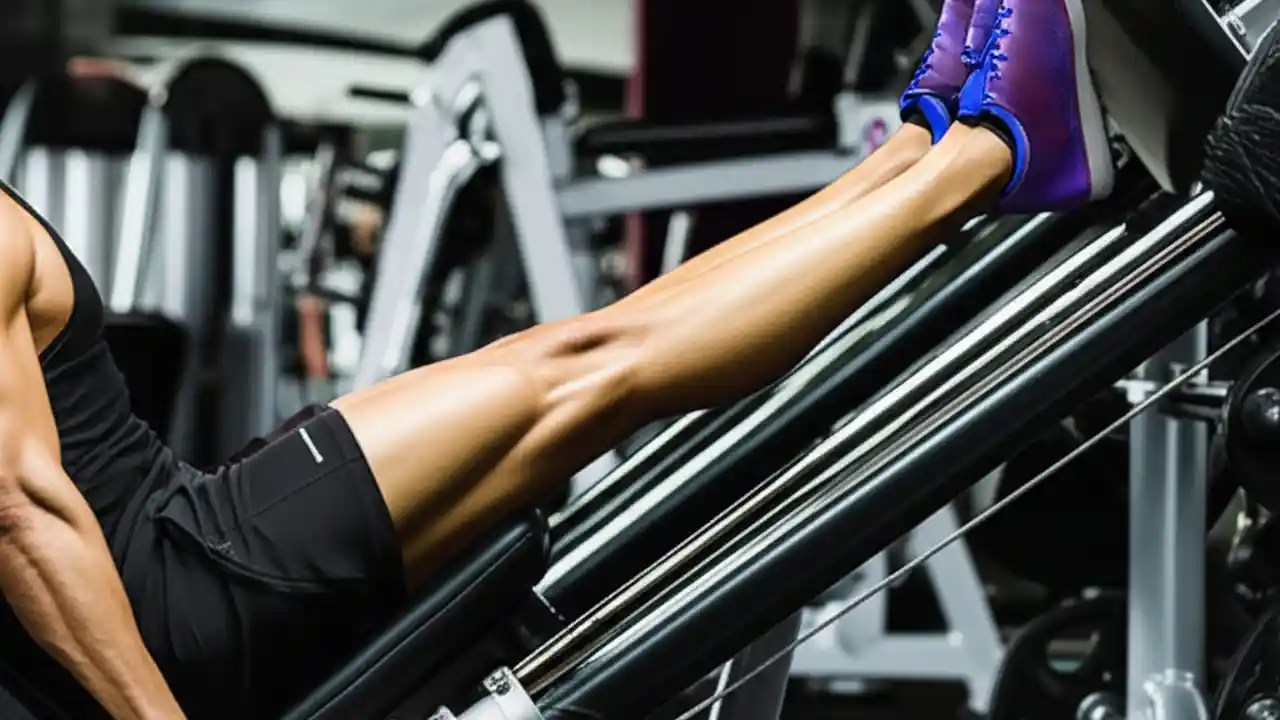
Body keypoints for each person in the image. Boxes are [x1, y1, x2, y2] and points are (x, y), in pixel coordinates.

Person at [0, 0, 1112, 717]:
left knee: (591, 351)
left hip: (185, 552)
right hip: (180, 595)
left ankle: (926, 146)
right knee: (593, 363)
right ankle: (984, 156)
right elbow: (20, 513)